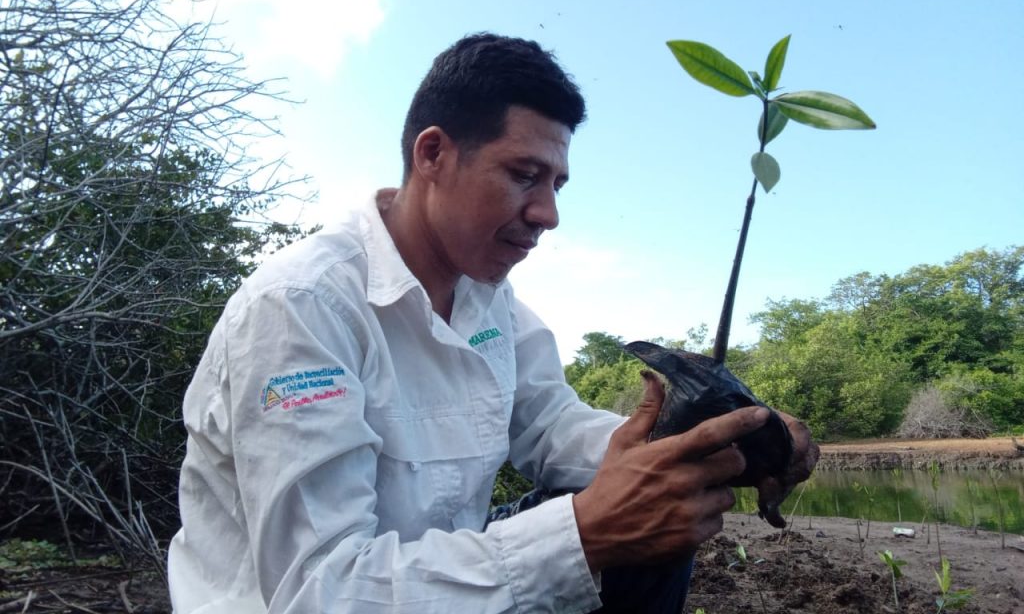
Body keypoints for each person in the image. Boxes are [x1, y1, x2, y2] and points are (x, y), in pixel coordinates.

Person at [167, 33, 816, 613]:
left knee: (656, 517)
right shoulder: (300, 308)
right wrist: (585, 534)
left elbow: (550, 424)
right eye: (523, 175)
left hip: (446, 576)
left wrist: (689, 445)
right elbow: (320, 591)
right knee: (621, 524)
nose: (547, 214)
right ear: (433, 155)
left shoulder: (491, 302)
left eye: (558, 183)